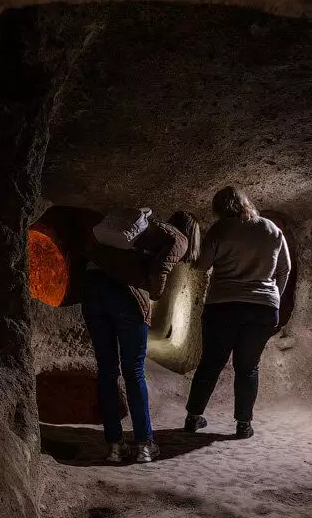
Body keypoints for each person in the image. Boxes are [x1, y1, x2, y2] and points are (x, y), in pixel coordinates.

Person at [183, 187, 290, 439]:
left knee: (210, 364)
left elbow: (203, 265)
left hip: (224, 305)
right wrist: (273, 298)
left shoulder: (220, 229)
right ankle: (243, 424)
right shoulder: (271, 229)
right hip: (263, 309)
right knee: (248, 367)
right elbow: (284, 269)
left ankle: (193, 417)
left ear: (219, 208)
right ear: (245, 202)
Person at [83, 210, 189, 463]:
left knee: (107, 371)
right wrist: (155, 292)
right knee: (134, 371)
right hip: (125, 295)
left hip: (91, 286)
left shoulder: (133, 229)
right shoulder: (178, 238)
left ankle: (115, 447)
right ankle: (144, 444)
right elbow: (161, 269)